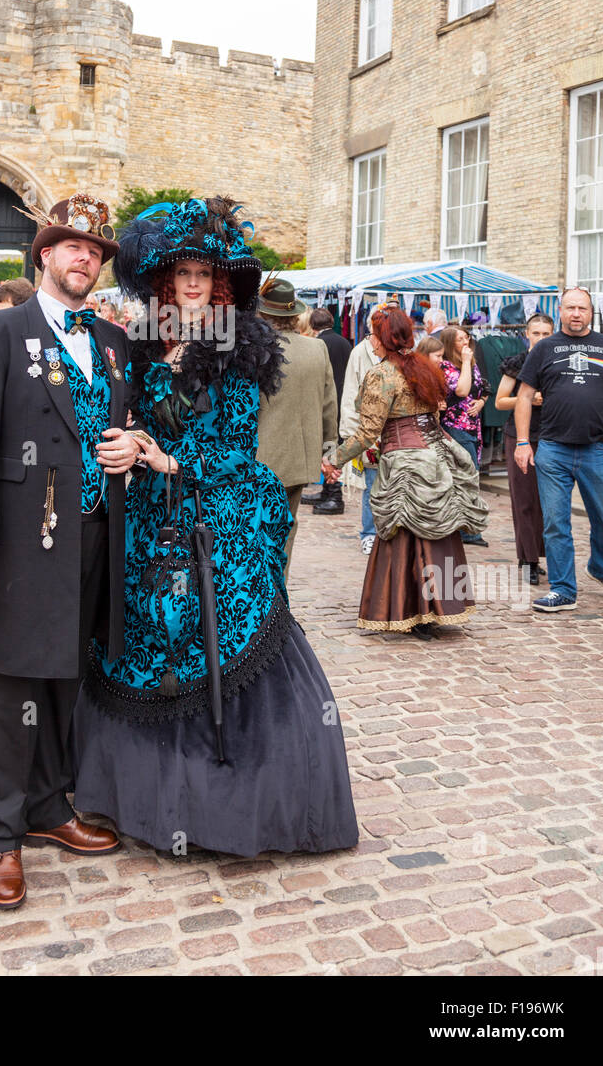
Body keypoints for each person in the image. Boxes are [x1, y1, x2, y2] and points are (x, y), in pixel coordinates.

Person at [73, 196, 358, 858]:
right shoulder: (143, 344)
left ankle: (225, 805)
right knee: (143, 636)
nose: (193, 286)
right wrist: (135, 441)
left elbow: (234, 447)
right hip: (148, 512)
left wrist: (166, 456)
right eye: (181, 275)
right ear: (164, 282)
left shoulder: (237, 347)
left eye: (204, 275)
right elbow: (126, 412)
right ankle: (136, 796)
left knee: (214, 637)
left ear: (221, 283)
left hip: (215, 511)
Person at [0, 193, 140, 909]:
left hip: (97, 536)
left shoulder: (115, 344)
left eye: (94, 250)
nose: (83, 256)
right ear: (45, 255)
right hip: (24, 546)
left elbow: (133, 425)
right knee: (14, 684)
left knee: (67, 676)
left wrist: (137, 444)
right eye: (70, 245)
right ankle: (1, 838)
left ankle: (49, 807)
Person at [323, 304, 487, 639]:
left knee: (407, 536)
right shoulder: (425, 367)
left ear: (381, 339)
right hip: (435, 455)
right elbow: (435, 416)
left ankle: (411, 611)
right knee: (436, 533)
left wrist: (333, 460)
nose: (371, 339)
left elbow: (368, 432)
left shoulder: (381, 374)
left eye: (373, 333)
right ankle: (439, 608)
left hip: (405, 461)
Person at [514, 288, 603, 613]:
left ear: (590, 312)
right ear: (560, 310)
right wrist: (522, 441)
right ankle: (563, 589)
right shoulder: (544, 347)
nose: (576, 313)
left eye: (582, 308)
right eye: (570, 307)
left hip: (597, 448)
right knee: (556, 522)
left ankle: (601, 567)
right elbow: (525, 396)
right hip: (553, 449)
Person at [256, 276, 337, 576]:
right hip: (298, 461)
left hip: (257, 459)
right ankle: (279, 597)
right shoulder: (317, 350)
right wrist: (329, 452)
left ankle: (262, 603)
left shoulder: (253, 350)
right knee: (286, 531)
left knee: (254, 535)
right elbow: (329, 406)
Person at [495, 313, 554, 586]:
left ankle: (538, 555)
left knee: (547, 502)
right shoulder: (517, 363)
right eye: (536, 333)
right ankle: (527, 560)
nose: (541, 338)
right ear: (527, 334)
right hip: (520, 435)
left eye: (546, 334)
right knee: (524, 499)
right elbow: (500, 401)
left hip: (553, 434)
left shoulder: (558, 362)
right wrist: (529, 399)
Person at [439, 325, 489, 547]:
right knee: (467, 476)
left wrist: (481, 402)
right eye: (460, 339)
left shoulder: (471, 364)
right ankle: (466, 530)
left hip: (473, 426)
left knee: (470, 475)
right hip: (455, 426)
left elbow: (482, 389)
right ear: (450, 343)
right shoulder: (447, 366)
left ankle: (464, 527)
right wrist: (467, 363)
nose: (465, 342)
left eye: (466, 337)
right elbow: (461, 390)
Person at [339, 314, 385, 553]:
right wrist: (350, 431)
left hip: (391, 431)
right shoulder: (360, 352)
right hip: (368, 431)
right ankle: (369, 533)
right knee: (371, 484)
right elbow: (350, 391)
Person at [302, 307, 352, 514]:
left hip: (328, 400)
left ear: (313, 326)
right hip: (344, 398)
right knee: (333, 444)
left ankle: (334, 495)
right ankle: (327, 491)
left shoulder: (318, 344)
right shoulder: (344, 342)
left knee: (329, 445)